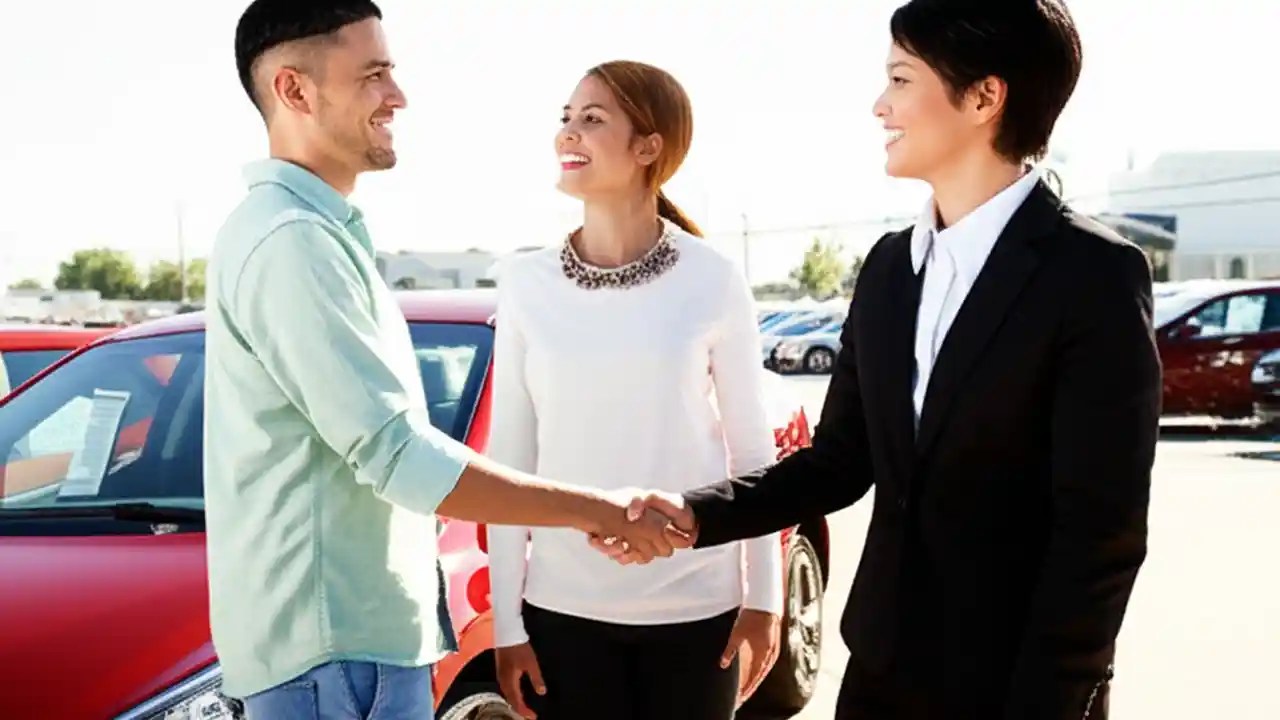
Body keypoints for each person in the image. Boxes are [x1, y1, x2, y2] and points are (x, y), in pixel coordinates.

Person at [599, 1, 1162, 718]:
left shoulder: (1092, 274)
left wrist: (1054, 696)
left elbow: (1102, 530)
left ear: (986, 97)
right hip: (881, 673)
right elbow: (840, 460)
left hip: (1019, 686)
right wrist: (691, 513)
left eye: (900, 79)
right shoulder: (891, 268)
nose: (879, 106)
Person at [206, 3, 682, 718]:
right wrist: (597, 509)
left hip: (344, 658)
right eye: (373, 75)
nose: (396, 96)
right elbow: (398, 457)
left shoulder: (304, 233)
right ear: (295, 91)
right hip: (336, 666)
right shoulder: (292, 241)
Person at [484, 60, 784, 720]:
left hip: (699, 611)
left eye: (592, 119)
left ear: (650, 147)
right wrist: (508, 625)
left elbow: (753, 453)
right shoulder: (525, 283)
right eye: (565, 119)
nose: (569, 134)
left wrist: (766, 598)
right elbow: (509, 459)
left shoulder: (713, 278)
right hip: (562, 612)